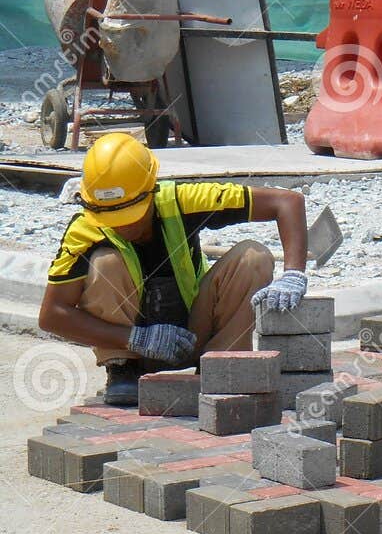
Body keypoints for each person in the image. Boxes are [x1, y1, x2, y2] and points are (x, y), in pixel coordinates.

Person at [38, 132, 310, 407]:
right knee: (104, 262)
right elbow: (52, 315)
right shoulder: (84, 231)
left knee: (254, 257)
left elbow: (287, 202)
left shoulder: (181, 201)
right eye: (110, 217)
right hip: (132, 348)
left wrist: (293, 275)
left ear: (151, 189)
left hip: (194, 332)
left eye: (129, 215)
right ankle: (122, 369)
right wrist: (135, 339)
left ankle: (221, 365)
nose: (121, 226)